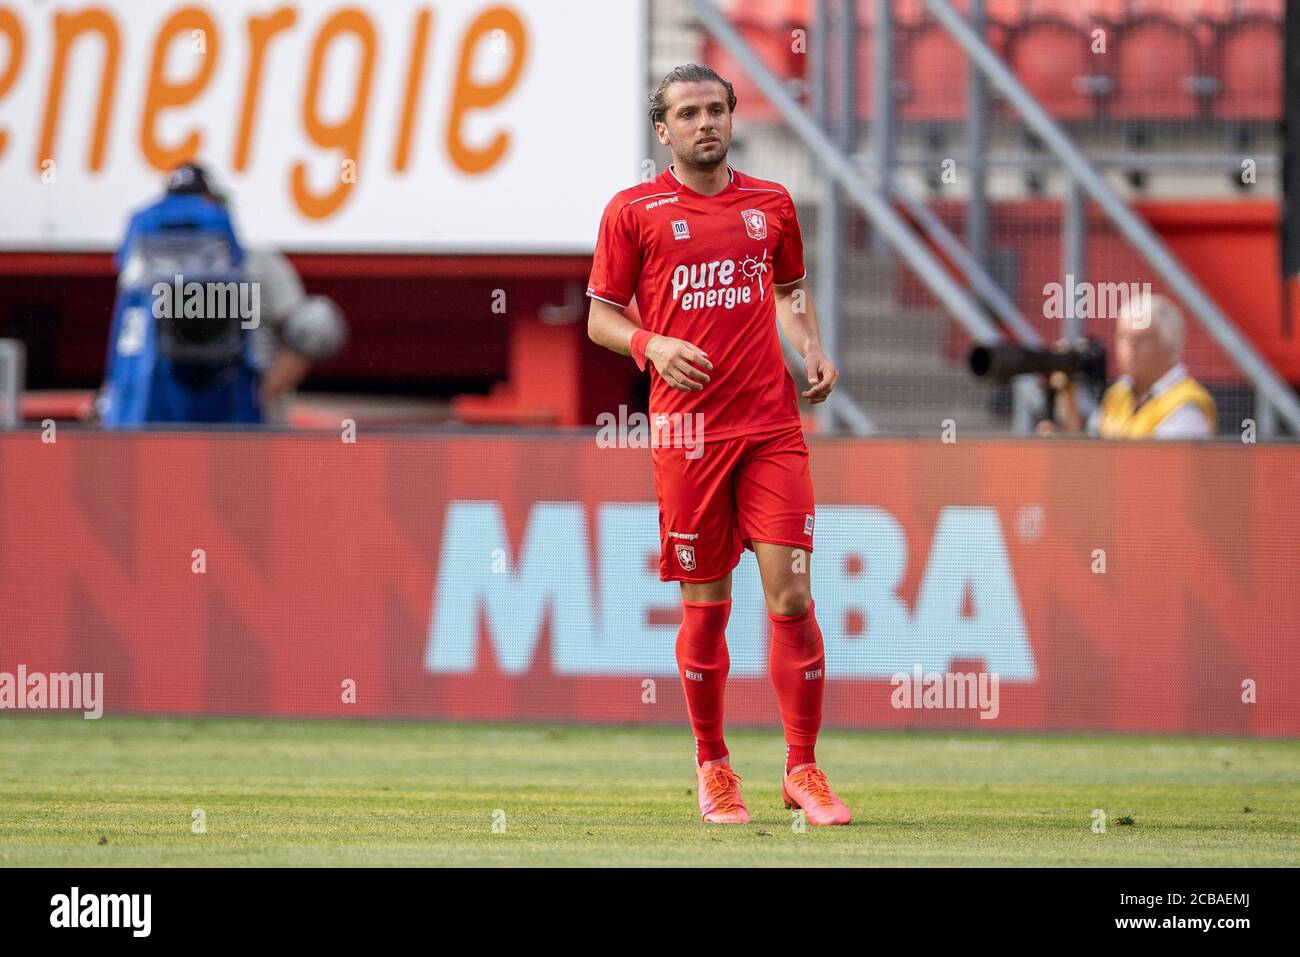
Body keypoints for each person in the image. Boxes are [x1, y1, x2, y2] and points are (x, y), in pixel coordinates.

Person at [585, 64, 850, 825]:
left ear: (733, 118)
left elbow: (789, 289)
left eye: (716, 109)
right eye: (688, 113)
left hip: (771, 427)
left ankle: (803, 768)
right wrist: (652, 344)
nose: (706, 122)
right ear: (662, 130)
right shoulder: (633, 212)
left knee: (792, 595)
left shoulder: (771, 204)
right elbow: (600, 316)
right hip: (688, 433)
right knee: (706, 610)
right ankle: (714, 766)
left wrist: (812, 348)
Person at [98, 163, 345, 427]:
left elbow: (313, 332)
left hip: (245, 419)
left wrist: (264, 391)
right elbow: (129, 349)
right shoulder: (143, 280)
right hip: (161, 415)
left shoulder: (259, 264)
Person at [1038, 294, 1216, 439]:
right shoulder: (1118, 394)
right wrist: (1066, 394)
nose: (1128, 348)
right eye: (1122, 337)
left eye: (1141, 339)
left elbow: (1163, 472)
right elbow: (1091, 449)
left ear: (1169, 346)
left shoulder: (1187, 405)